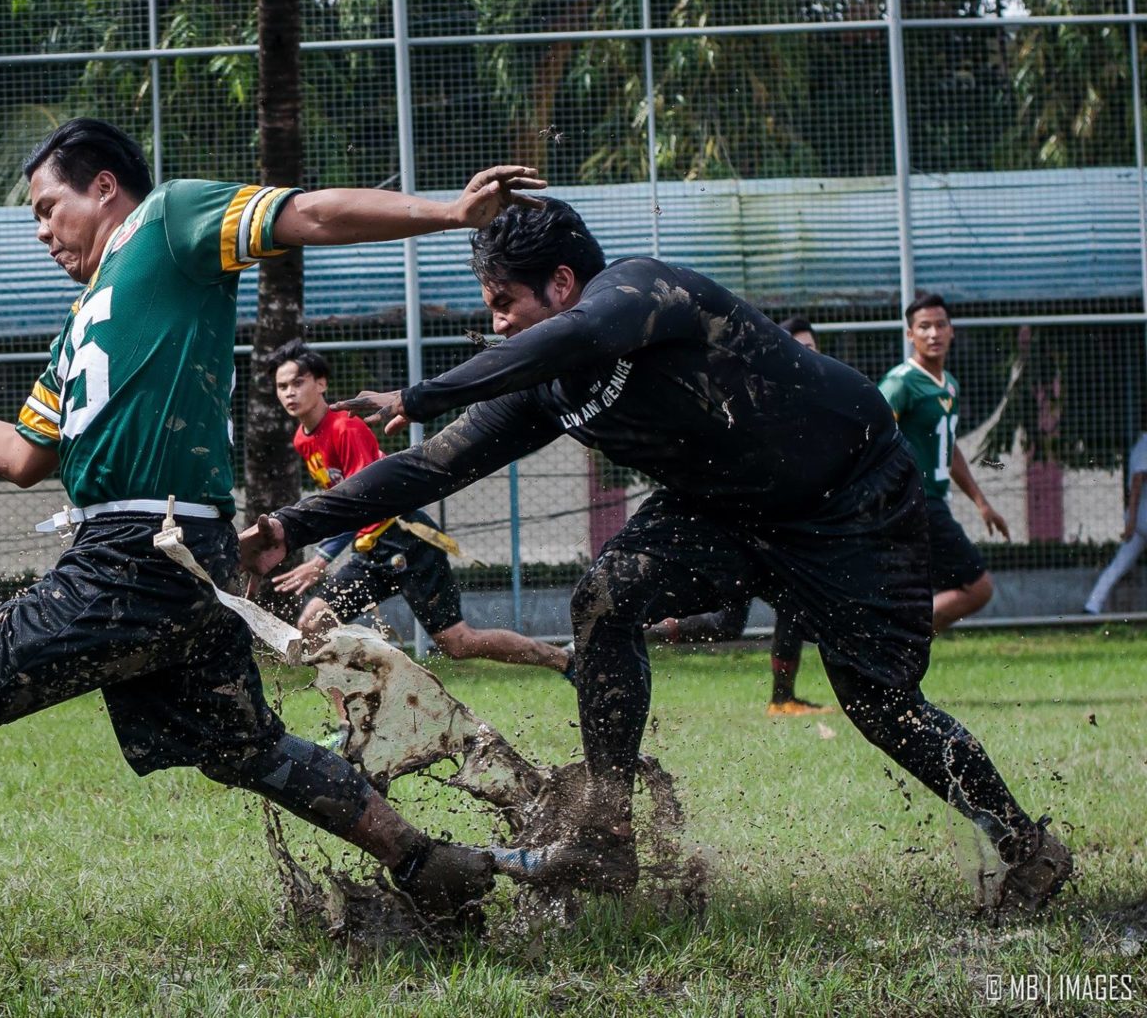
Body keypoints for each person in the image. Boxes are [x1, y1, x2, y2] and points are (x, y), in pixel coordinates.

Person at [0, 118, 550, 934]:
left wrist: (451, 214)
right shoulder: (80, 323)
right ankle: (428, 864)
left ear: (102, 187)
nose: (40, 230)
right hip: (172, 557)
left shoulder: (166, 222)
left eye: (46, 206)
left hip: (137, 553)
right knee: (249, 750)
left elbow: (307, 216)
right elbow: (26, 456)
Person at [240, 199, 1071, 911]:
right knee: (603, 596)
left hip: (849, 498)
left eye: (504, 303)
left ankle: (1027, 845)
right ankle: (606, 832)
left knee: (881, 705)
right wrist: (288, 526)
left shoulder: (637, 290)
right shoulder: (548, 385)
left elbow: (577, 335)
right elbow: (431, 465)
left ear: (562, 285)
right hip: (723, 509)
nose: (496, 324)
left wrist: (419, 393)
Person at [268, 339, 571, 676]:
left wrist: (322, 558)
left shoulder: (345, 427)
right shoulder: (302, 439)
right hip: (371, 549)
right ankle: (349, 724)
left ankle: (565, 661)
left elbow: (364, 503)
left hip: (405, 538)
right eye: (282, 386)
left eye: (298, 382)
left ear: (320, 383)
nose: (289, 393)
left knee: (457, 643)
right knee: (313, 623)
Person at [647, 316, 831, 717]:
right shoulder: (754, 399)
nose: (804, 358)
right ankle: (642, 629)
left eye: (811, 351)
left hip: (778, 526)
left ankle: (783, 699)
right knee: (733, 620)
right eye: (796, 350)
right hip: (744, 526)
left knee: (777, 610)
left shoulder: (816, 402)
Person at [879, 294, 1010, 632]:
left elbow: (948, 449)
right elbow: (873, 436)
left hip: (933, 503)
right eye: (924, 327)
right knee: (978, 588)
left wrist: (982, 503)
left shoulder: (949, 384)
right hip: (914, 503)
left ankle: (898, 644)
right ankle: (901, 637)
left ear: (952, 331)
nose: (934, 333)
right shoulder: (901, 383)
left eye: (940, 325)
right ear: (911, 335)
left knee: (910, 591)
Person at [1084, 426, 1147, 614]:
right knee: (1120, 563)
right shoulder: (1145, 445)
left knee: (1120, 563)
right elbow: (1137, 482)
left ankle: (1092, 606)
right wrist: (1132, 521)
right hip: (1142, 516)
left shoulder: (1140, 444)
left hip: (1139, 518)